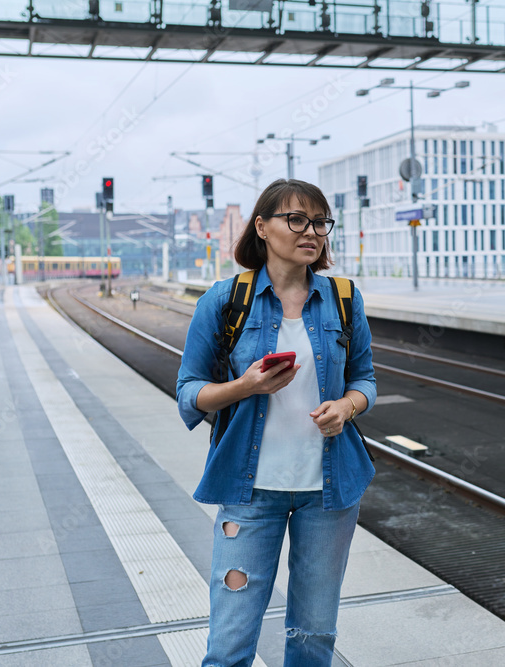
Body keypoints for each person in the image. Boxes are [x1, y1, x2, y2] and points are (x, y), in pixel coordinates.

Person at [176, 179, 377, 667]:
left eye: (320, 222)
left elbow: (365, 380)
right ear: (262, 227)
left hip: (328, 493)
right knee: (228, 645)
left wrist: (346, 408)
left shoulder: (344, 300)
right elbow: (189, 394)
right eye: (297, 220)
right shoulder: (224, 302)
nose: (312, 231)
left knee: (313, 638)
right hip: (250, 495)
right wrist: (246, 387)